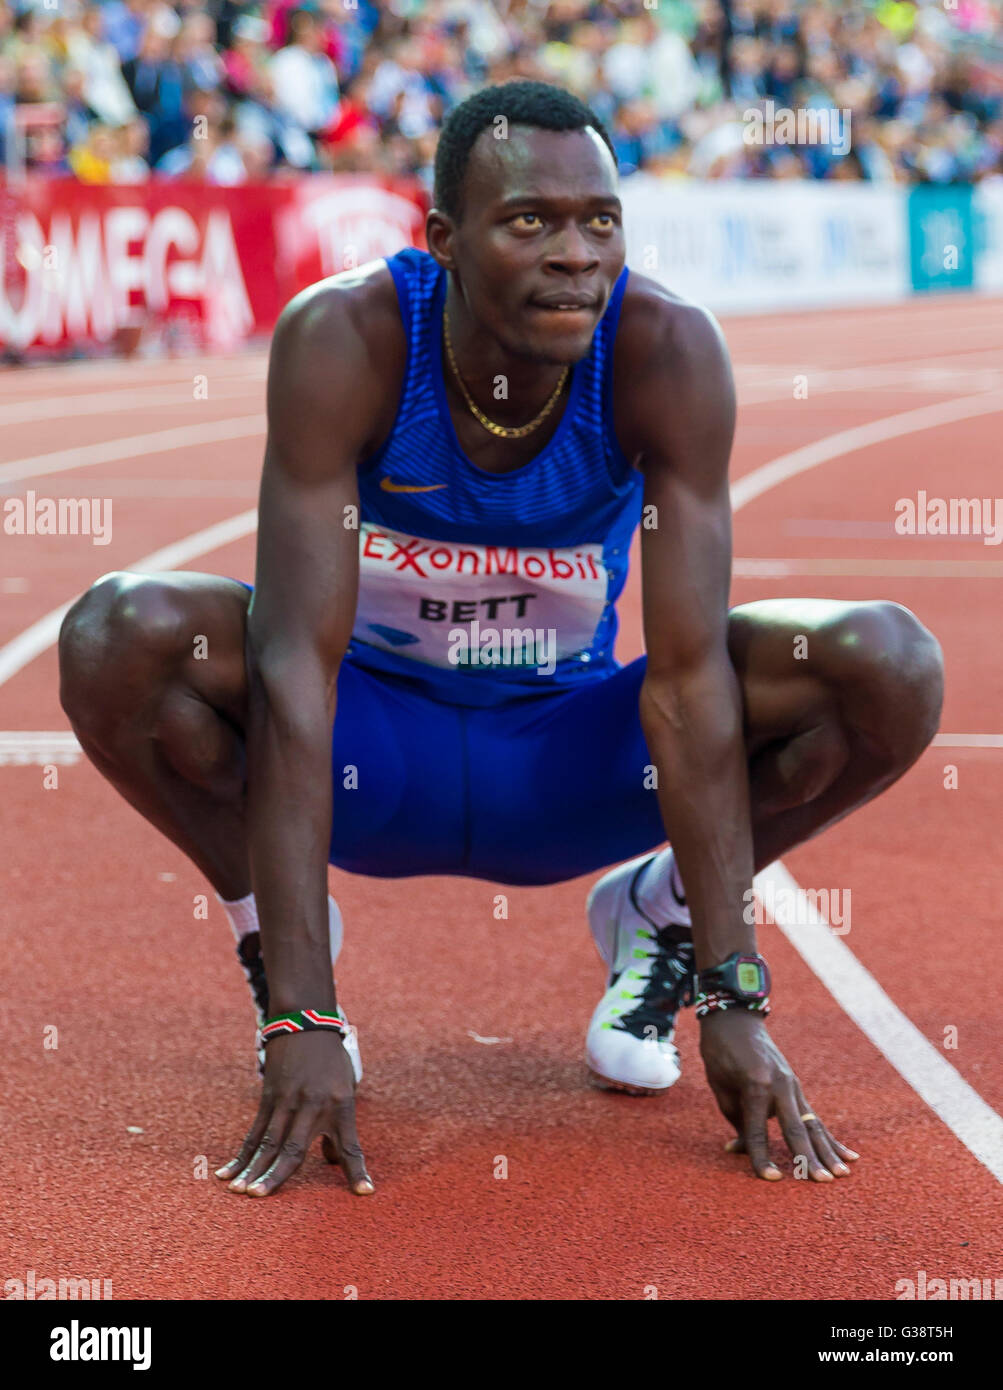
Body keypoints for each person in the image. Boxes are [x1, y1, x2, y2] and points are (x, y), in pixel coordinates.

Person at [58, 79, 944, 1200]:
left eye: (599, 221)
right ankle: (264, 924)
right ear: (442, 239)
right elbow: (288, 661)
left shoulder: (665, 351)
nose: (575, 254)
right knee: (117, 634)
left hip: (569, 756)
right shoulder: (349, 339)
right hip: (365, 752)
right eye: (530, 221)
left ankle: (657, 917)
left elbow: (682, 679)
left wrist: (733, 987)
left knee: (888, 664)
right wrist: (302, 998)